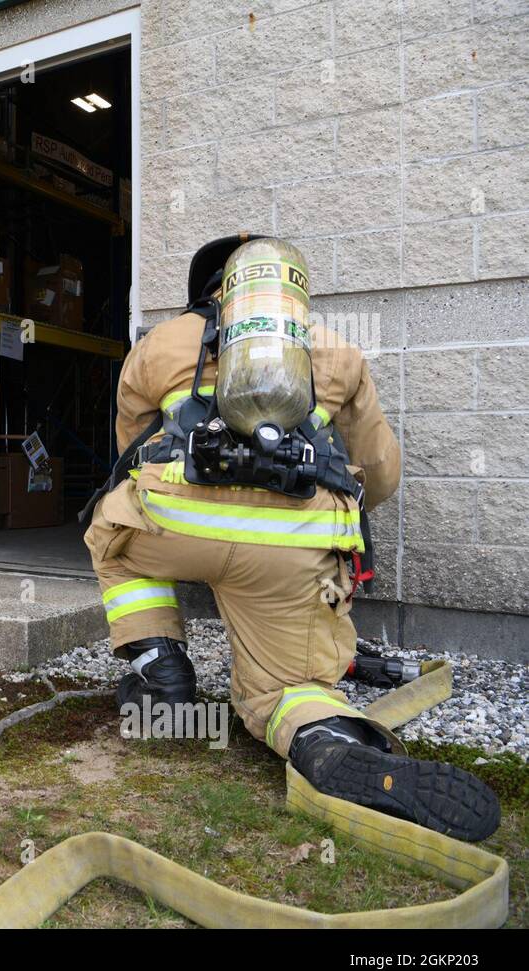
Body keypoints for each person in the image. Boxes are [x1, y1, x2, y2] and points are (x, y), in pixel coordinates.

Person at [84, 234, 499, 842]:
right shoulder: (335, 353)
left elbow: (128, 454)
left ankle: (159, 669)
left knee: (111, 528)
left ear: (208, 292)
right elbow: (380, 471)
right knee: (289, 687)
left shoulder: (158, 345)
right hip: (294, 543)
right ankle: (328, 739)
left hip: (178, 529)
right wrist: (326, 527)